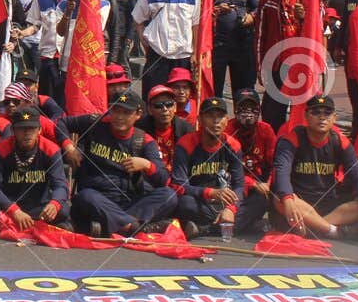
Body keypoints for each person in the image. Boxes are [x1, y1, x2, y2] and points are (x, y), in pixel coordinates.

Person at [237, 94, 358, 242]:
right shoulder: (291, 139)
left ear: (334, 118)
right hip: (298, 203)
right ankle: (333, 231)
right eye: (316, 112)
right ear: (306, 116)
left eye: (327, 113)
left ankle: (316, 227)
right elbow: (281, 172)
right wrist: (288, 198)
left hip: (328, 203)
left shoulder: (340, 141)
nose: (322, 117)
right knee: (280, 198)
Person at [59, 89, 176, 236]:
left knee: (169, 195)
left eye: (126, 113)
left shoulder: (145, 141)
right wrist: (69, 147)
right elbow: (61, 123)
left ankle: (114, 225)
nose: (119, 117)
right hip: (96, 198)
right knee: (86, 196)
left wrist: (147, 165)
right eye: (116, 111)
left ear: (138, 115)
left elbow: (163, 180)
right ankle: (135, 227)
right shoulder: (96, 123)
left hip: (129, 201)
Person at [170, 96, 244, 238]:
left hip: (224, 203)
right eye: (210, 116)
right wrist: (209, 192)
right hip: (200, 201)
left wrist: (231, 209)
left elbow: (239, 185)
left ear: (227, 120)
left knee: (259, 201)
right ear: (200, 119)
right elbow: (178, 185)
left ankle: (203, 229)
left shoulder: (233, 145)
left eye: (220, 116)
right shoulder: (186, 144)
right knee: (184, 203)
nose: (216, 121)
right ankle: (229, 226)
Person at [0, 106, 68, 228]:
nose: (27, 133)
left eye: (32, 128)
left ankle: (29, 224)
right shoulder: (0, 149)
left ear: (39, 130)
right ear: (13, 131)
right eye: (22, 129)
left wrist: (54, 204)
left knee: (63, 210)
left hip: (39, 207)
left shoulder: (51, 150)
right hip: (9, 206)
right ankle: (41, 226)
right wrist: (13, 210)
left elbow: (60, 185)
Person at [130, 0, 200, 93]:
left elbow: (196, 24)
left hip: (183, 55)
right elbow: (138, 19)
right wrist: (143, 39)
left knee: (182, 98)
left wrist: (195, 53)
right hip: (157, 54)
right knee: (154, 96)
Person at [255, 0, 309, 131]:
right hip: (275, 65)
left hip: (301, 66)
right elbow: (260, 35)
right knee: (272, 114)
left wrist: (305, 18)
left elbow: (319, 31)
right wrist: (261, 68)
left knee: (301, 115)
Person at [208, 0, 259, 101]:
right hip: (217, 45)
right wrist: (215, 10)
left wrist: (251, 17)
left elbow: (258, 7)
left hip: (242, 44)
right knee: (214, 90)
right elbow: (200, 11)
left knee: (243, 90)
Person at [26, 0, 71, 104]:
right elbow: (35, 25)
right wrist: (22, 33)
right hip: (48, 55)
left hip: (69, 55)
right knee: (47, 98)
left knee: (66, 97)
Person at [136, 82, 194, 172]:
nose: (165, 109)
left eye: (169, 104)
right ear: (150, 110)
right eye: (158, 106)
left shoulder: (187, 130)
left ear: (175, 107)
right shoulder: (139, 129)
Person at [105, 0, 137, 69]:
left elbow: (133, 16)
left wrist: (130, 36)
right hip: (107, 34)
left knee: (123, 62)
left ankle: (127, 84)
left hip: (123, 33)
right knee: (109, 61)